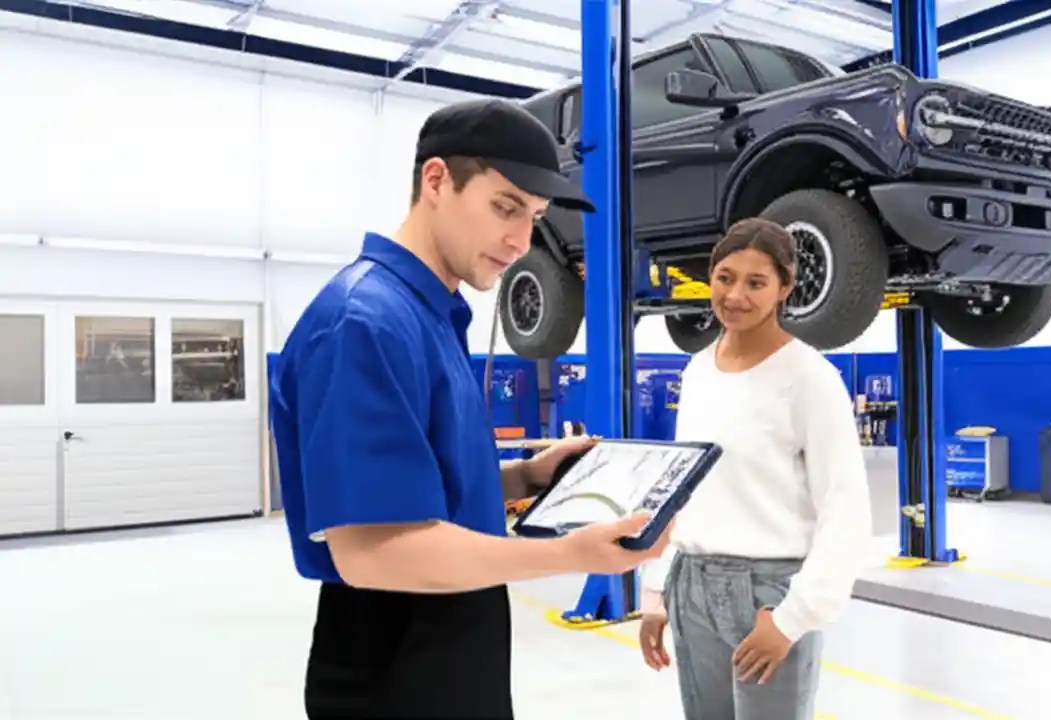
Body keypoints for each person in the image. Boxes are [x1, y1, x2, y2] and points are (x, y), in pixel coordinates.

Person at [268, 98, 672, 720]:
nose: (521, 241)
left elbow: (419, 485)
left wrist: (526, 478)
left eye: (534, 218)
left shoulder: (430, 312)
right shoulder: (364, 322)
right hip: (394, 658)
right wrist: (571, 555)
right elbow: (376, 550)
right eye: (505, 208)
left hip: (454, 640)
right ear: (436, 181)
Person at [636, 217, 874, 720]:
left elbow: (845, 510)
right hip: (692, 586)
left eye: (756, 282)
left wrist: (791, 620)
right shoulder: (698, 370)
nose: (736, 295)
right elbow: (680, 489)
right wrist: (656, 590)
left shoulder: (809, 378)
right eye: (725, 277)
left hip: (769, 595)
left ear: (784, 288)